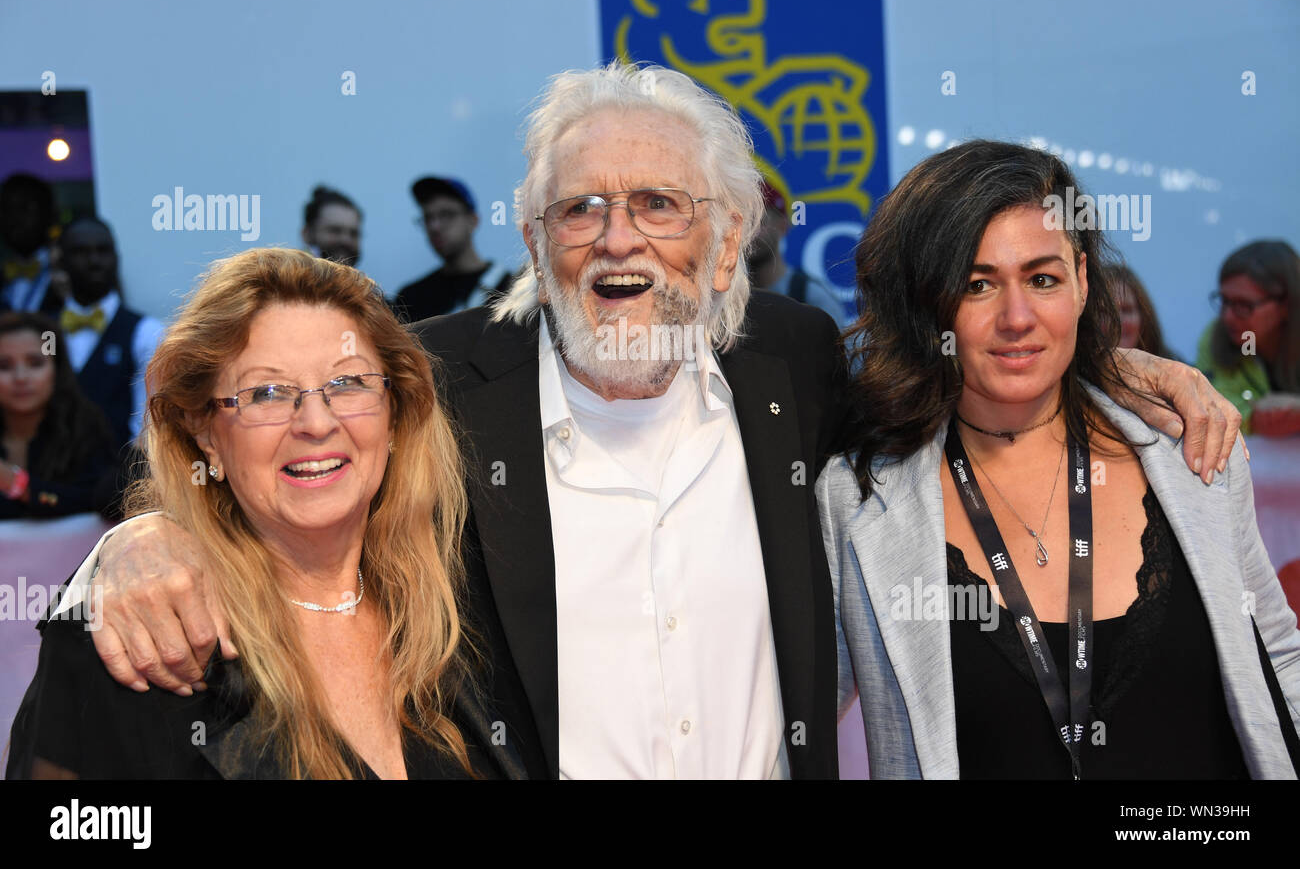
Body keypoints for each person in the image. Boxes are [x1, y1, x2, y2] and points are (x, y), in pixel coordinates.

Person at [68, 65, 1238, 781]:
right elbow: (277, 431)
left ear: (727, 239)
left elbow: (975, 365)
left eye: (658, 204)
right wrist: (150, 530)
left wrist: (1119, 368)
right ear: (532, 243)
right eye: (579, 208)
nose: (615, 237)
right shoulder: (434, 382)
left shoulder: (791, 360)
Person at [818, 140, 1300, 779]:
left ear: (1080, 281)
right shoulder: (857, 500)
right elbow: (791, 715)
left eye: (1042, 279)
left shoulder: (1191, 451)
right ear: (925, 300)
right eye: (977, 284)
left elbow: (1277, 657)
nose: (1017, 318)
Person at [6, 249, 519, 779]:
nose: (316, 423)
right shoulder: (141, 635)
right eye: (267, 393)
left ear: (395, 415)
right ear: (204, 431)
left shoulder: (464, 607)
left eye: (348, 384)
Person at [56, 215, 165, 450]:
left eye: (103, 250)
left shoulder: (145, 332)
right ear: (62, 262)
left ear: (116, 258)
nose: (94, 260)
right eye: (80, 252)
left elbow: (146, 426)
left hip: (115, 476)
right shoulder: (46, 331)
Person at [0, 312, 117, 519]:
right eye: (4, 366)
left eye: (35, 363)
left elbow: (98, 502)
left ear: (57, 369)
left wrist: (16, 483)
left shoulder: (86, 428)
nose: (20, 377)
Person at [1197, 240, 1300, 437]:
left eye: (1244, 305)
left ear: (1286, 305)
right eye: (1225, 301)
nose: (1227, 316)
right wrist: (1253, 418)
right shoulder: (1221, 337)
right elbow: (1210, 404)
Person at [392, 176, 514, 321]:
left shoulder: (510, 289)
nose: (434, 226)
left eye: (446, 215)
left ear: (473, 221)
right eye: (428, 218)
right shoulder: (410, 298)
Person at [747, 181, 848, 326]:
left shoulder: (811, 297)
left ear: (782, 226)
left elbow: (841, 347)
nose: (748, 232)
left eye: (758, 222)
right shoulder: (724, 300)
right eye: (740, 222)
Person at [0, 173, 62, 316]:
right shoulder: (4, 274)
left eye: (25, 209)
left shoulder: (66, 272)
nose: (14, 219)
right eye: (6, 210)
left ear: (48, 215)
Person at [1111, 264, 1177, 360]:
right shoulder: (1081, 370)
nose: (1117, 321)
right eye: (1105, 312)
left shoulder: (1177, 371)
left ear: (1144, 316)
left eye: (1126, 310)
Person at [300, 185, 362, 266]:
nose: (346, 240)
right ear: (307, 234)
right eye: (335, 231)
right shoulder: (288, 277)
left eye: (353, 234)